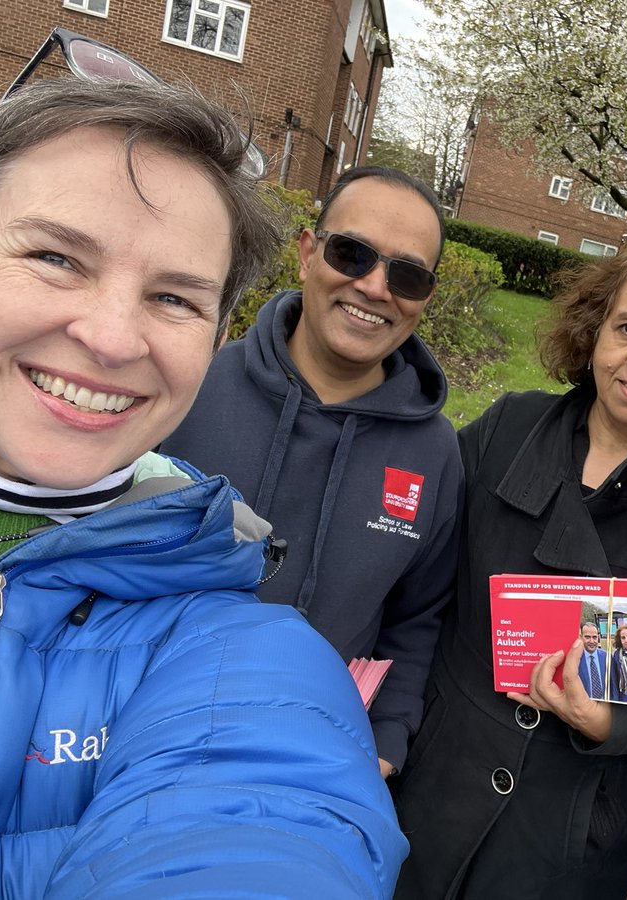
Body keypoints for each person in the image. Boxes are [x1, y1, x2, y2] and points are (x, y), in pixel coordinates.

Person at [0, 71, 406, 898]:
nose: (110, 338)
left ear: (213, 336)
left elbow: (262, 827)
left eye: (173, 297)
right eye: (55, 257)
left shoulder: (239, 649)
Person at [391, 226, 627, 899]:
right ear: (594, 332)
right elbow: (417, 573)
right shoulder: (508, 429)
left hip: (568, 834)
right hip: (435, 784)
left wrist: (613, 721)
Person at [161, 165, 462, 779]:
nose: (374, 287)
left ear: (425, 299)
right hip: (148, 732)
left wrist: (385, 741)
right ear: (307, 254)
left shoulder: (434, 453)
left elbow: (417, 617)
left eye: (406, 275)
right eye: (352, 253)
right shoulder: (189, 386)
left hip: (314, 762)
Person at [578, 621, 609, 700]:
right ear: (581, 637)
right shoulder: (576, 658)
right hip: (585, 704)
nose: (591, 641)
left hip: (604, 704)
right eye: (587, 637)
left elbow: (613, 685)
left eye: (594, 637)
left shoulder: (606, 657)